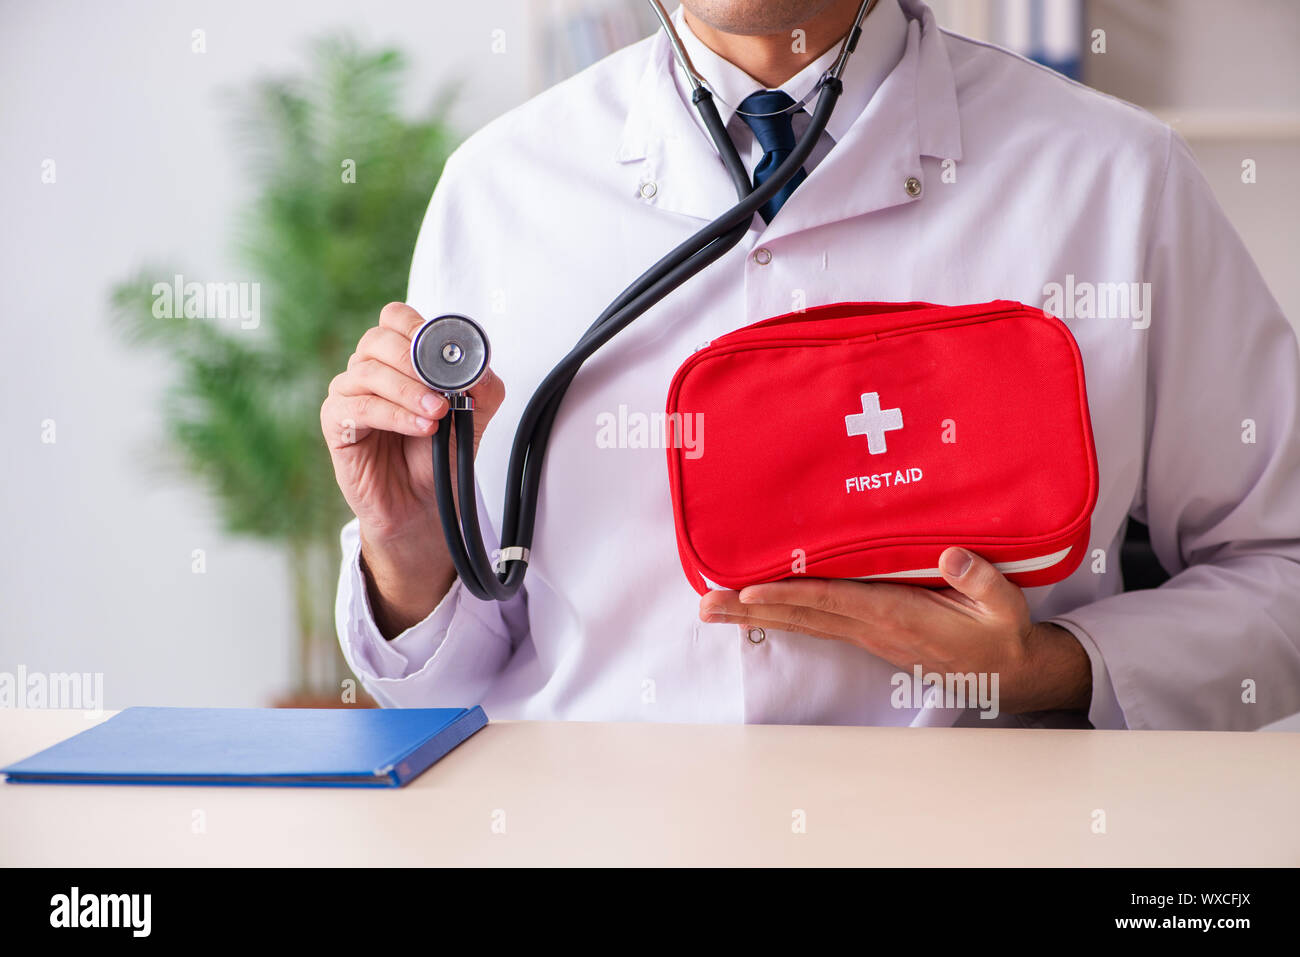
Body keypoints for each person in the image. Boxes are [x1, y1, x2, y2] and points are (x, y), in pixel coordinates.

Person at [319, 0, 1300, 729]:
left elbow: (1283, 564)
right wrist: (411, 553)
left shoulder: (1113, 176)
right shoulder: (501, 189)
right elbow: (444, 686)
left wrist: (1052, 666)